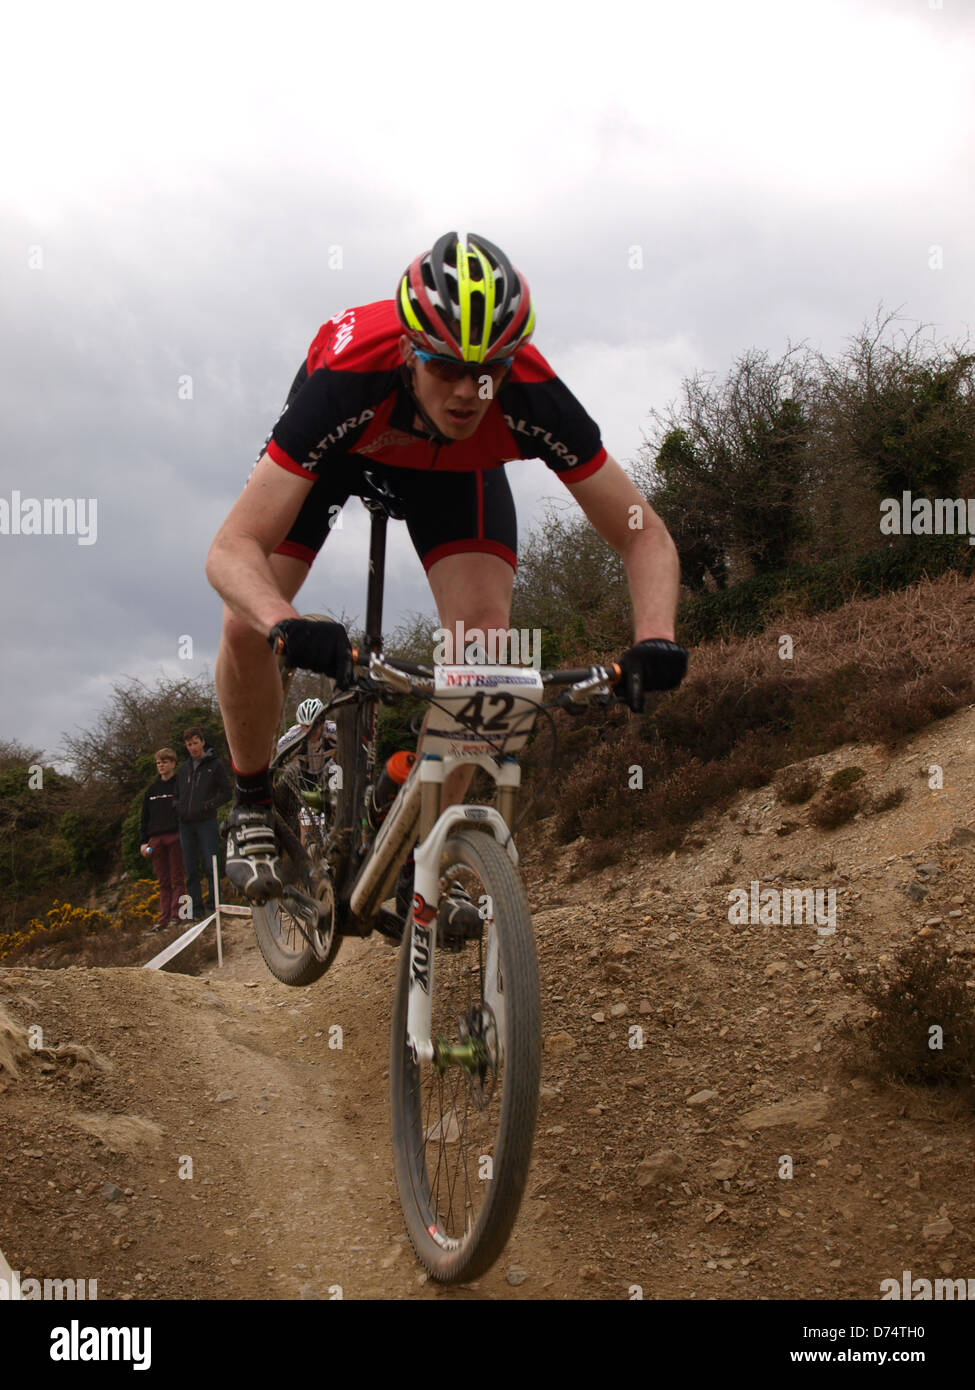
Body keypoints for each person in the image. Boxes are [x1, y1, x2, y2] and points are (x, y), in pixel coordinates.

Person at [206, 231, 688, 905]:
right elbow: (231, 550)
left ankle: (419, 853)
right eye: (445, 366)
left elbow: (642, 534)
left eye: (488, 368)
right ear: (409, 349)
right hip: (347, 447)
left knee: (484, 655)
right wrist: (285, 624)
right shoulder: (348, 379)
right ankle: (253, 799)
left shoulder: (531, 395)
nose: (468, 390)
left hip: (454, 473)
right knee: (242, 628)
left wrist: (654, 636)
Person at [176, 727, 231, 919]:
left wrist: (208, 805)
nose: (193, 747)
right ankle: (195, 911)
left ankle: (214, 907)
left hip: (206, 822)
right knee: (191, 869)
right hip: (185, 823)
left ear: (203, 742)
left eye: (195, 742)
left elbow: (226, 792)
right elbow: (177, 794)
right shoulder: (183, 769)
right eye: (189, 744)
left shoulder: (214, 765)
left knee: (211, 865)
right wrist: (178, 807)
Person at [275, 697, 337, 846]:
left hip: (332, 772)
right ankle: (307, 859)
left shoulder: (335, 731)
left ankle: (337, 827)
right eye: (304, 726)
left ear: (322, 723)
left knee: (337, 777)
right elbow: (278, 760)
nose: (309, 731)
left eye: (314, 726)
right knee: (306, 821)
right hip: (306, 777)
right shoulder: (289, 739)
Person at [139, 748, 186, 933]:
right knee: (163, 881)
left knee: (178, 878)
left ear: (173, 763)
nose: (161, 765)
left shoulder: (179, 785)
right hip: (155, 840)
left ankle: (180, 916)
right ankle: (164, 919)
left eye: (164, 762)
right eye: (158, 762)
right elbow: (144, 818)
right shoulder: (151, 790)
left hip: (175, 836)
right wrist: (144, 842)